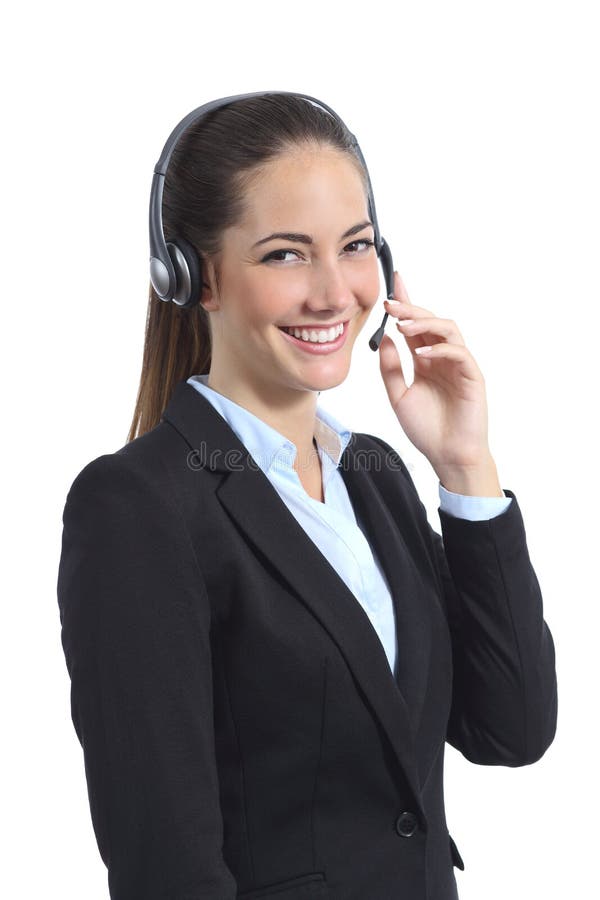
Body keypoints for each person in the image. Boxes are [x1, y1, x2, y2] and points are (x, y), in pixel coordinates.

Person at [56, 93, 558, 900]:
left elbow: (513, 729)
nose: (333, 293)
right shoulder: (139, 508)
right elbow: (166, 868)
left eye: (355, 246)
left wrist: (466, 465)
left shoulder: (376, 478)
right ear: (194, 275)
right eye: (286, 255)